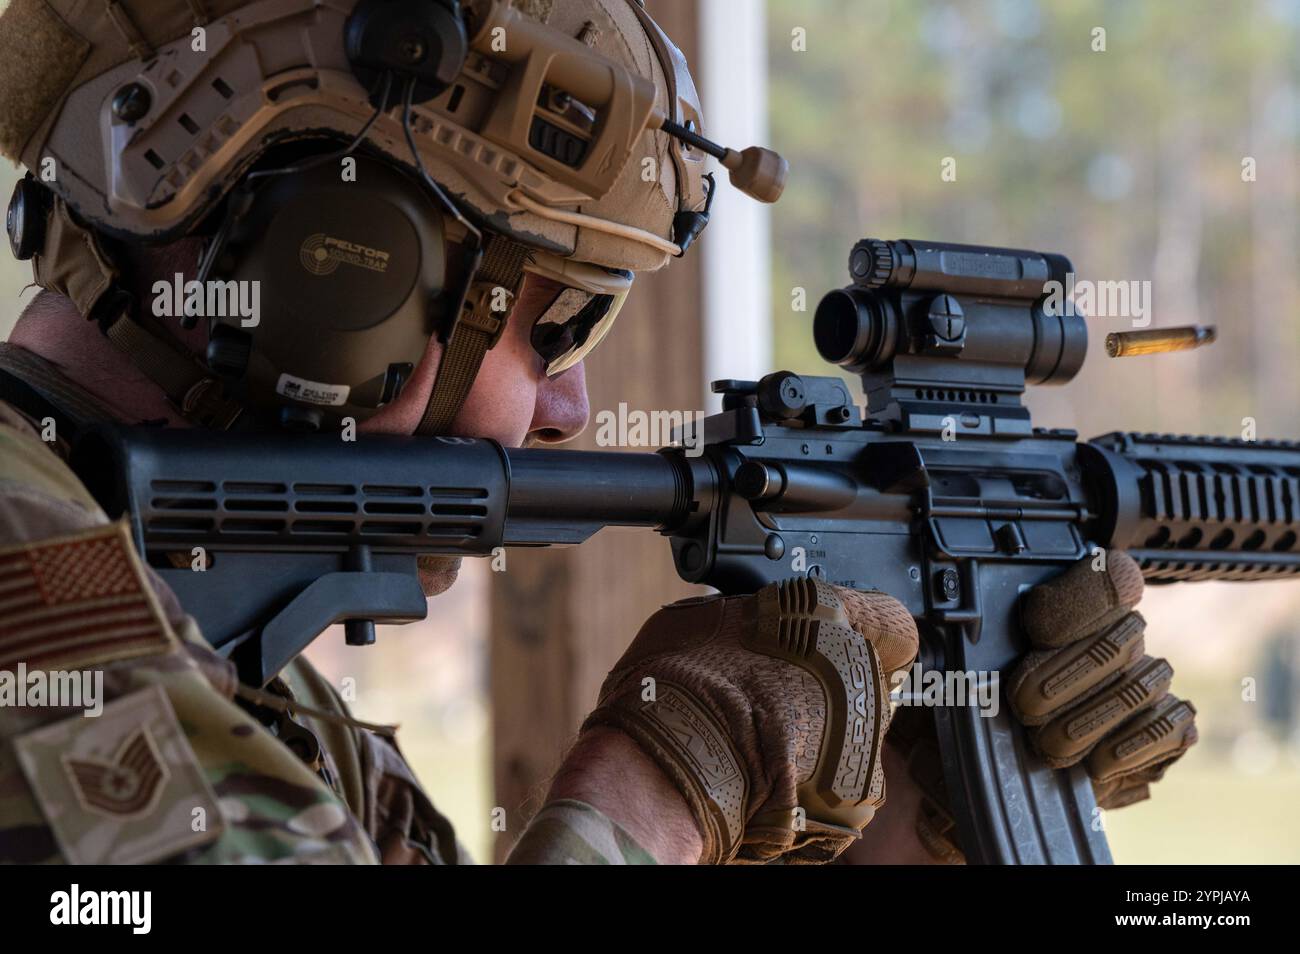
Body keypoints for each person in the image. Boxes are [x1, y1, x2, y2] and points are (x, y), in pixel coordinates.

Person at [0, 0, 1196, 866]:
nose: (568, 409)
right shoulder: (36, 600)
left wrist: (906, 815)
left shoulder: (233, 670)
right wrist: (660, 780)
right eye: (554, 320)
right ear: (332, 274)